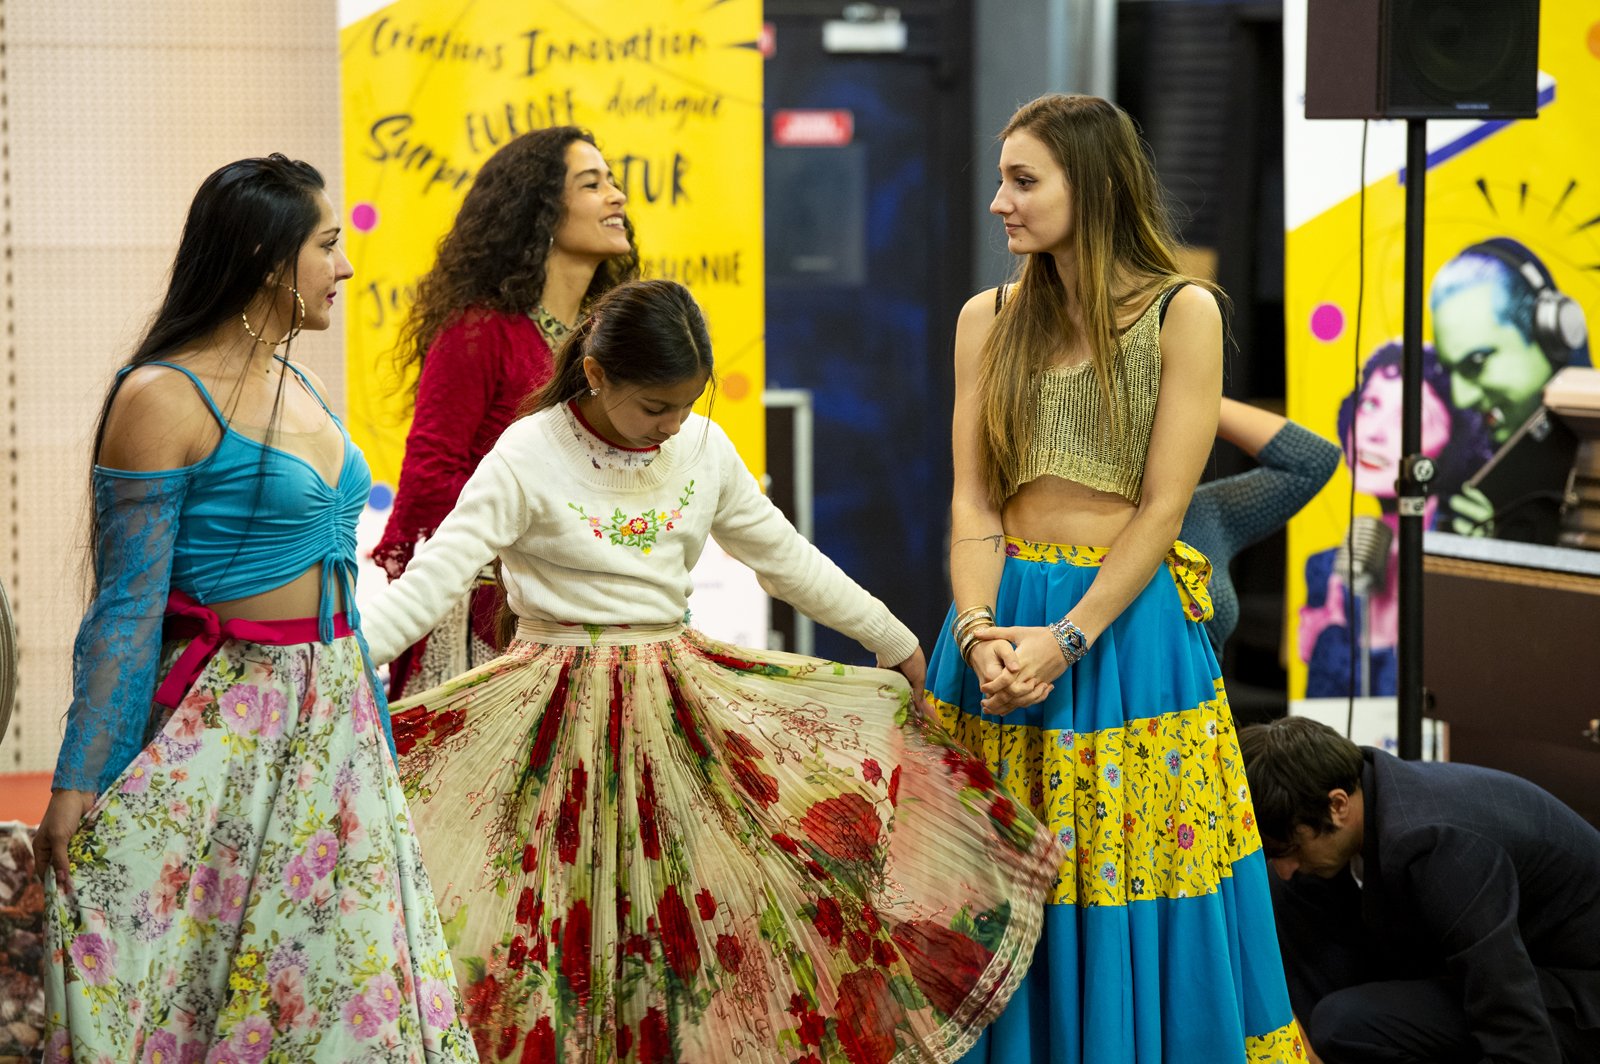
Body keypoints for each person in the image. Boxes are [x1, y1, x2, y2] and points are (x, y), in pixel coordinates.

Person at [359, 278, 1066, 1063]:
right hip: (551, 721)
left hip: (677, 714)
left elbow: (784, 558)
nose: (671, 427)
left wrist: (892, 638)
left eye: (685, 406)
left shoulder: (700, 447)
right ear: (595, 376)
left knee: (692, 941)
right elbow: (434, 580)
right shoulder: (527, 452)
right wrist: (343, 676)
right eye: (654, 408)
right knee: (551, 947)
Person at [31, 156, 476, 1061]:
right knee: (221, 988)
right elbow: (125, 610)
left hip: (337, 719)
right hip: (229, 723)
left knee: (348, 987)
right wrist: (79, 781)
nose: (344, 267)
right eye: (327, 244)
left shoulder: (297, 380)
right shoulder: (162, 396)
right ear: (269, 259)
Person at [923, 93, 1303, 1062]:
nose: (1000, 202)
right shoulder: (985, 318)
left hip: (1125, 638)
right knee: (989, 893)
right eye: (1001, 178)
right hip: (996, 632)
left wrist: (1067, 639)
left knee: (1127, 888)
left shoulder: (1185, 313)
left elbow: (1163, 511)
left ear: (1089, 184)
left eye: (1022, 180)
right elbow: (972, 502)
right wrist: (977, 632)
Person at [373, 126, 639, 700]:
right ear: (539, 212)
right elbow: (428, 478)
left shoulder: (607, 341)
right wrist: (534, 535)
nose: (617, 196)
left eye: (613, 181)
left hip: (592, 607)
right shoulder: (479, 333)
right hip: (490, 614)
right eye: (592, 184)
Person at [1239, 715, 1600, 1063]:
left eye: (1291, 849)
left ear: (1337, 805)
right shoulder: (1367, 786)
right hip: (1511, 969)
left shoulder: (1439, 844)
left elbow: (1503, 990)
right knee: (1292, 892)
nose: (1285, 868)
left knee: (1347, 1024)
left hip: (1576, 999)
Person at [1298, 341, 1489, 697]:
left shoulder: (1465, 558)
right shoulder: (1325, 570)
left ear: (1453, 441)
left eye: (1407, 418)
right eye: (1370, 405)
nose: (1374, 433)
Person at [1431, 238, 1591, 535]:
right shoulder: (1467, 476)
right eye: (1449, 371)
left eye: (1477, 361)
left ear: (1550, 335)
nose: (1460, 397)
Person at [1181, 397, 1341, 656]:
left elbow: (1313, 460)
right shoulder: (1097, 519)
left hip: (1205, 695)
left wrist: (1194, 392)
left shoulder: (1201, 513)